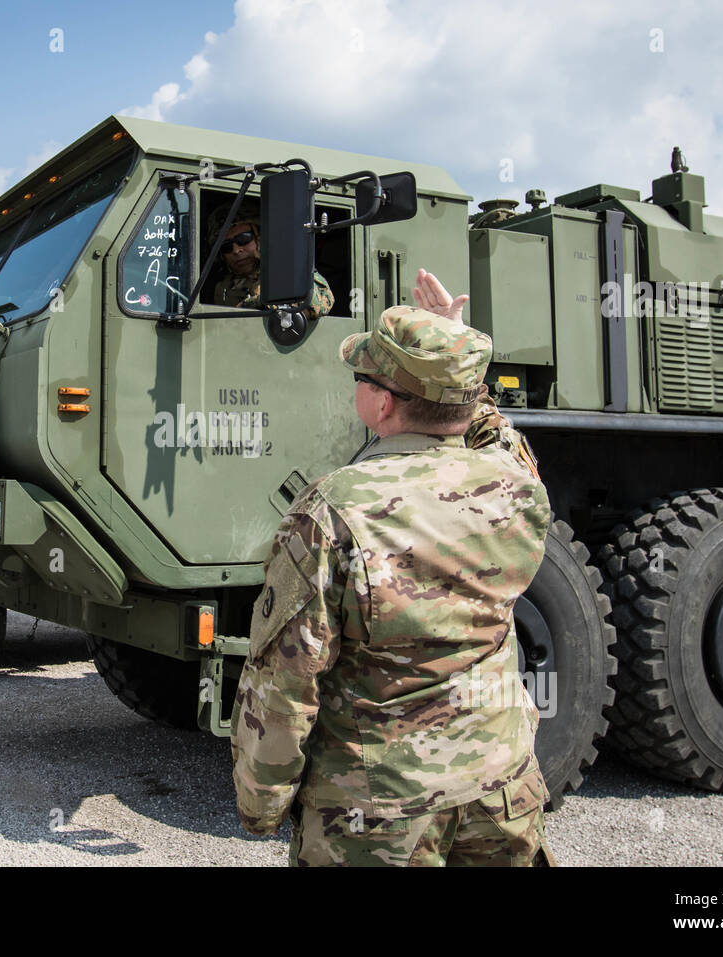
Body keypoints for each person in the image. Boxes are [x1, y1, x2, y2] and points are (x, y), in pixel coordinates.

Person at [230, 267, 554, 867]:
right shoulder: (517, 488)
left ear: (380, 401)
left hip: (378, 813)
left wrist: (262, 804)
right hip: (504, 789)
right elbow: (500, 436)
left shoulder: (334, 508)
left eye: (360, 375)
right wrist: (453, 352)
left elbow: (285, 682)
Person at [209, 202, 334, 320]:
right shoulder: (223, 288)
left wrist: (255, 303)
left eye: (243, 239)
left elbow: (316, 305)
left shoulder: (285, 270)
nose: (236, 250)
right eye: (226, 246)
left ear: (261, 237)